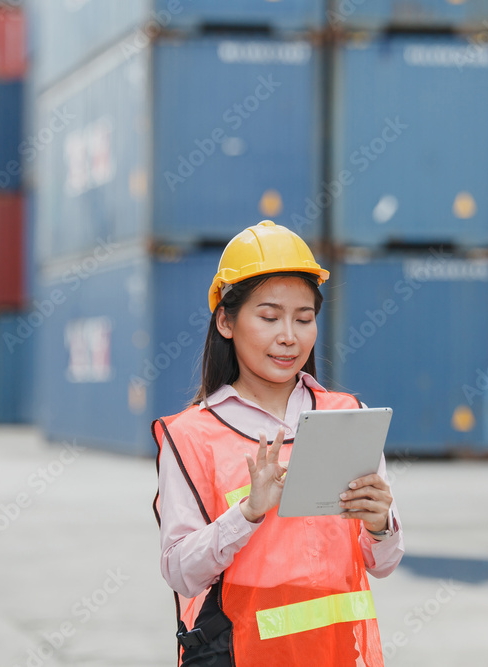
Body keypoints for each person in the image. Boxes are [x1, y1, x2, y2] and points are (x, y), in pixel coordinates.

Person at [152, 220, 404, 666]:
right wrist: (248, 513)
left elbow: (380, 564)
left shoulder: (344, 415)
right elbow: (179, 572)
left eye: (304, 319)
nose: (289, 335)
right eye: (269, 317)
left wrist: (380, 523)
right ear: (226, 321)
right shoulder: (192, 434)